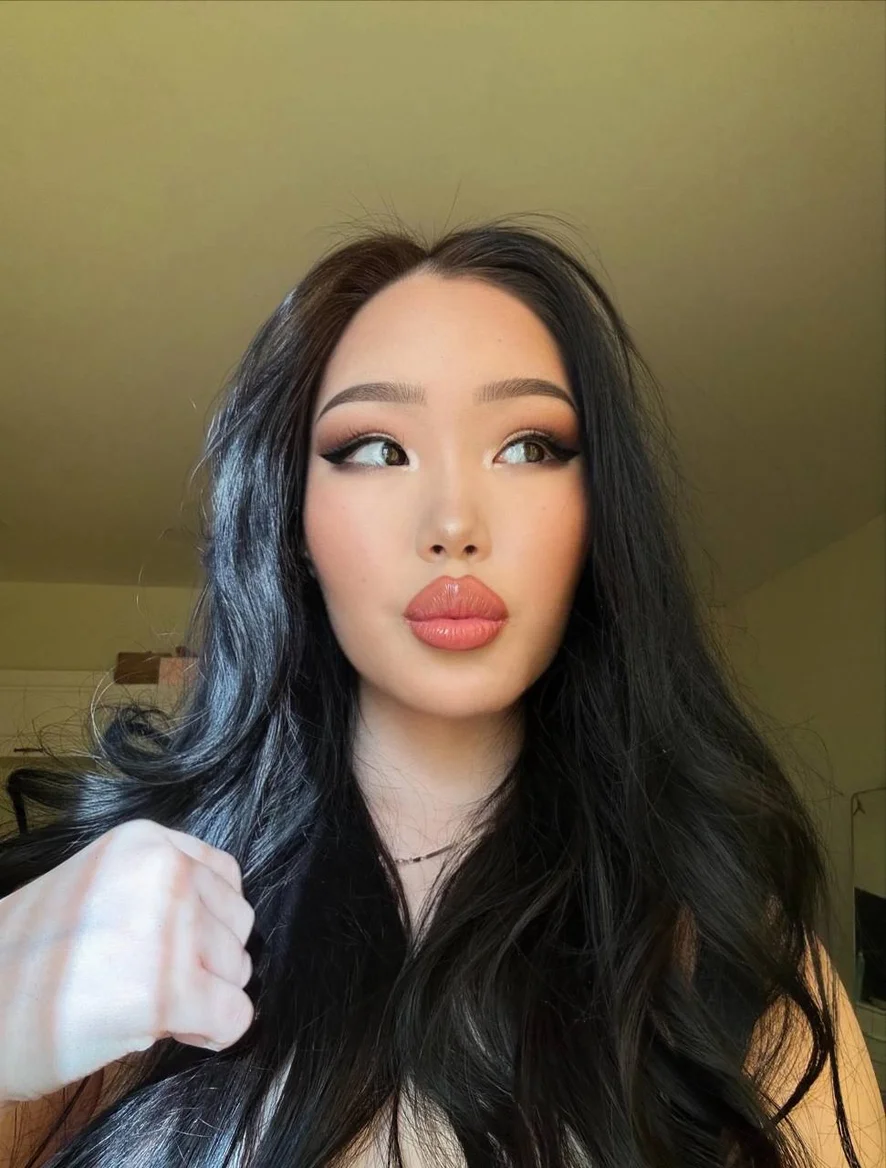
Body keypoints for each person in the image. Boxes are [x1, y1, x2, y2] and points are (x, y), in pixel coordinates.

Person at [0, 216, 883, 1168]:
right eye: (377, 448)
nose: (455, 523)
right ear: (294, 519)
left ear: (598, 515)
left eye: (530, 446)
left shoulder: (733, 953)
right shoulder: (109, 920)